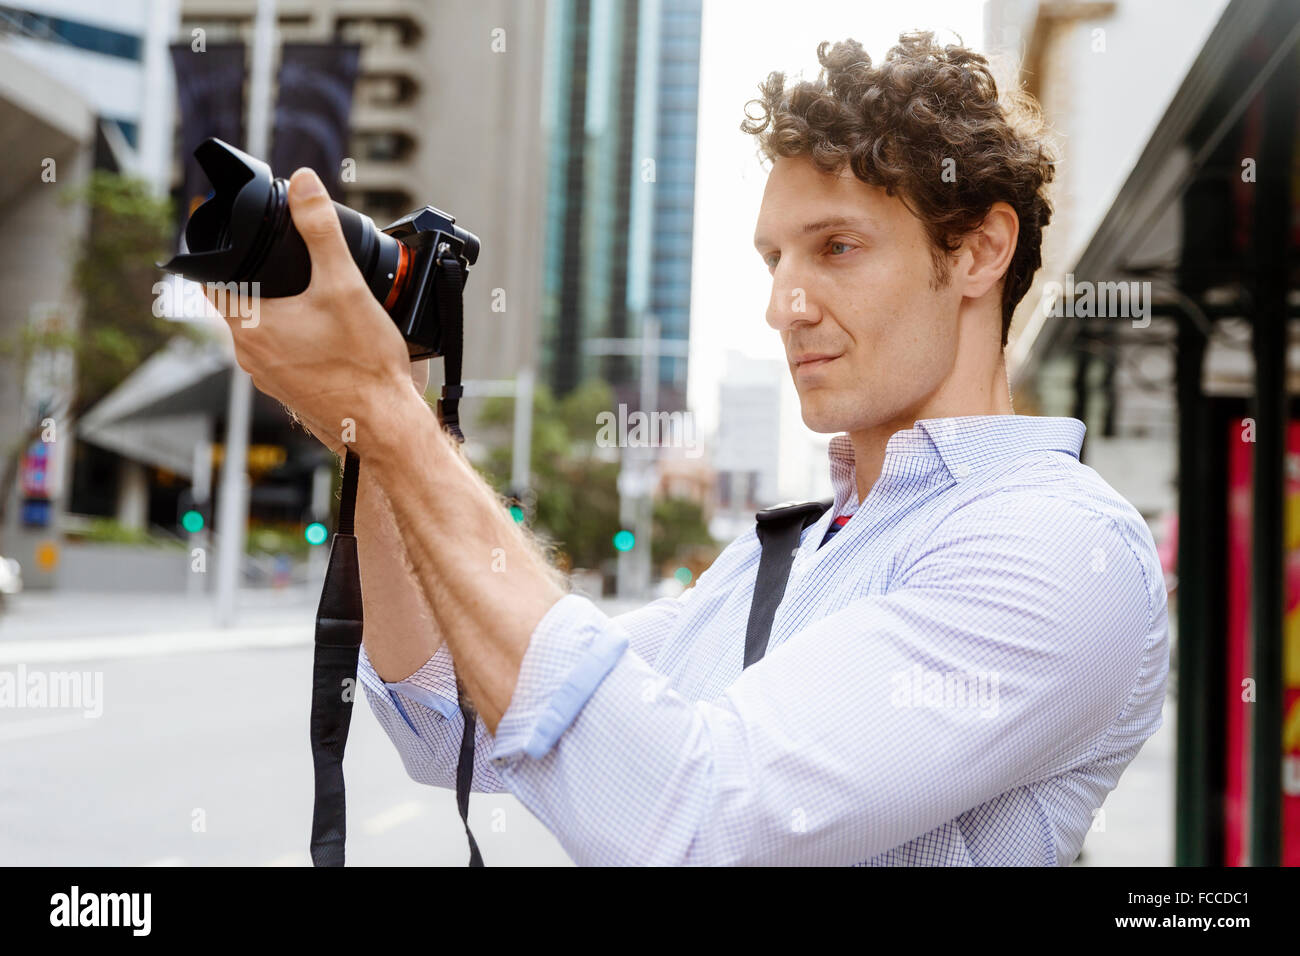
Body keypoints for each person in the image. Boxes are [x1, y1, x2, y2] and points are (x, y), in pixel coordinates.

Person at [210, 31, 1168, 865]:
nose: (784, 304)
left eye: (835, 247)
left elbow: (698, 822)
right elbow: (450, 717)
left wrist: (390, 417)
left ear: (976, 252)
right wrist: (373, 430)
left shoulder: (1056, 545)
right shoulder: (790, 549)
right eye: (773, 259)